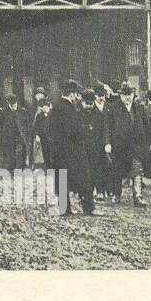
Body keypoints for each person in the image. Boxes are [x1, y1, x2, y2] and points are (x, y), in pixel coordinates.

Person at [51, 80, 97, 215]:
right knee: (84, 178)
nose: (77, 97)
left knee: (62, 178)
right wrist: (85, 130)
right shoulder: (69, 109)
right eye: (76, 94)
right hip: (73, 150)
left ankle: (64, 209)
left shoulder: (56, 108)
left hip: (59, 151)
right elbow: (72, 130)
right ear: (71, 94)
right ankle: (89, 208)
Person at [106, 84, 150, 206]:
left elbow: (147, 127)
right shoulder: (113, 109)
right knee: (117, 171)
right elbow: (108, 128)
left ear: (133, 95)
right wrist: (107, 143)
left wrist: (149, 143)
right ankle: (116, 194)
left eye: (129, 94)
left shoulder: (140, 108)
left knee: (137, 170)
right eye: (124, 95)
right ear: (120, 95)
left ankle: (138, 195)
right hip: (119, 145)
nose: (127, 98)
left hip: (136, 145)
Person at [0, 93, 29, 169]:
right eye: (12, 104)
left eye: (15, 103)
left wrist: (26, 135)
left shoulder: (22, 111)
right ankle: (11, 170)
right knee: (9, 155)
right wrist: (1, 136)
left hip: (20, 137)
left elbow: (27, 125)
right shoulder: (3, 112)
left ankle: (19, 169)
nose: (14, 106)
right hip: (8, 137)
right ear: (8, 102)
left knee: (20, 154)